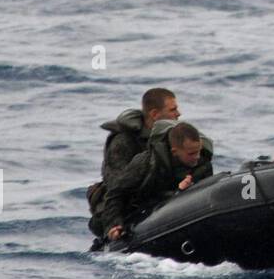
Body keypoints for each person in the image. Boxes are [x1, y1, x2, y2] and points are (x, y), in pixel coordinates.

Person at [95, 120, 213, 241]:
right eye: (191, 154)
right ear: (174, 151)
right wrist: (114, 225)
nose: (197, 157)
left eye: (198, 151)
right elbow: (116, 193)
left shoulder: (203, 165)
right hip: (143, 216)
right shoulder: (146, 163)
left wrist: (186, 191)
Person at [85, 88, 182, 232]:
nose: (178, 114)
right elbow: (116, 187)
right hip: (128, 209)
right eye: (173, 110)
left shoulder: (169, 138)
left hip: (161, 202)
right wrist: (114, 224)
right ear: (155, 114)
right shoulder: (123, 141)